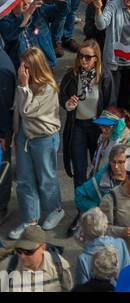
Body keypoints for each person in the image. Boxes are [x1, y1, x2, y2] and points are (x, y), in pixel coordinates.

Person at [9, 47, 63, 239]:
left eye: (26, 66)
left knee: (46, 178)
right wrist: (15, 134)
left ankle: (55, 209)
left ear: (36, 68)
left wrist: (23, 86)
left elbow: (28, 111)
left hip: (44, 138)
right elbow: (17, 112)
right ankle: (30, 219)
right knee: (24, 180)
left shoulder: (48, 87)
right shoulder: (23, 83)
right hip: (24, 136)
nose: (22, 69)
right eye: (22, 65)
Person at [59, 39, 113, 188]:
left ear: (96, 58)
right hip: (78, 126)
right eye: (81, 56)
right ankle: (81, 208)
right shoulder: (72, 75)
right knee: (79, 170)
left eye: (88, 57)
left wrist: (107, 129)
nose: (83, 60)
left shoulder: (104, 76)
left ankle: (98, 206)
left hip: (98, 127)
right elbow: (62, 96)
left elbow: (110, 104)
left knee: (99, 170)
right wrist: (68, 104)